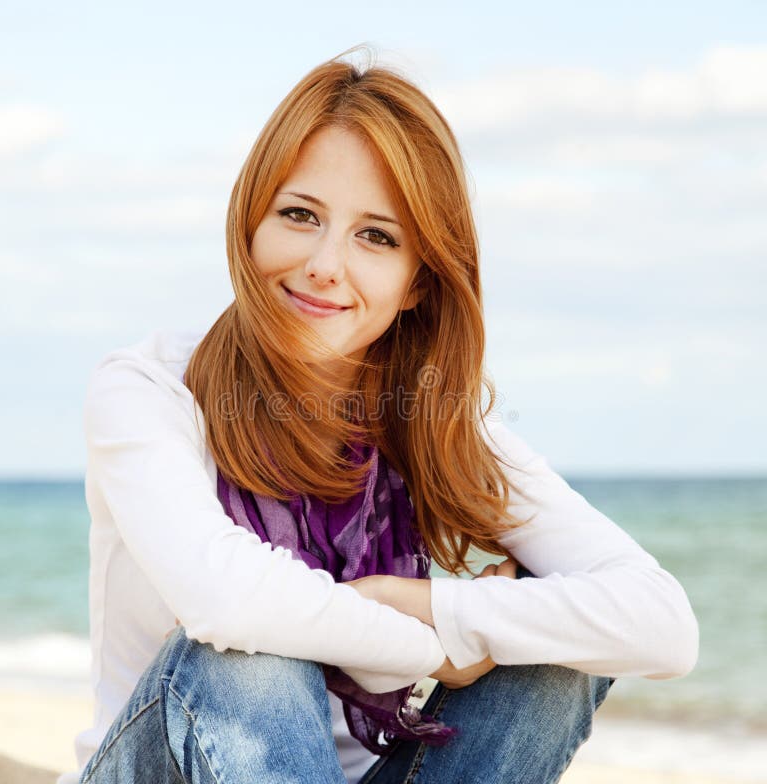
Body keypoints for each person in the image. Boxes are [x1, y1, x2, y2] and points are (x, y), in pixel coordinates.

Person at [60, 49, 699, 784]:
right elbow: (223, 597)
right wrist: (435, 645)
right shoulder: (148, 390)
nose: (324, 264)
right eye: (299, 215)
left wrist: (427, 603)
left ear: (417, 282)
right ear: (251, 221)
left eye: (376, 236)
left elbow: (662, 623)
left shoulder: (433, 421)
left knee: (553, 653)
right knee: (248, 660)